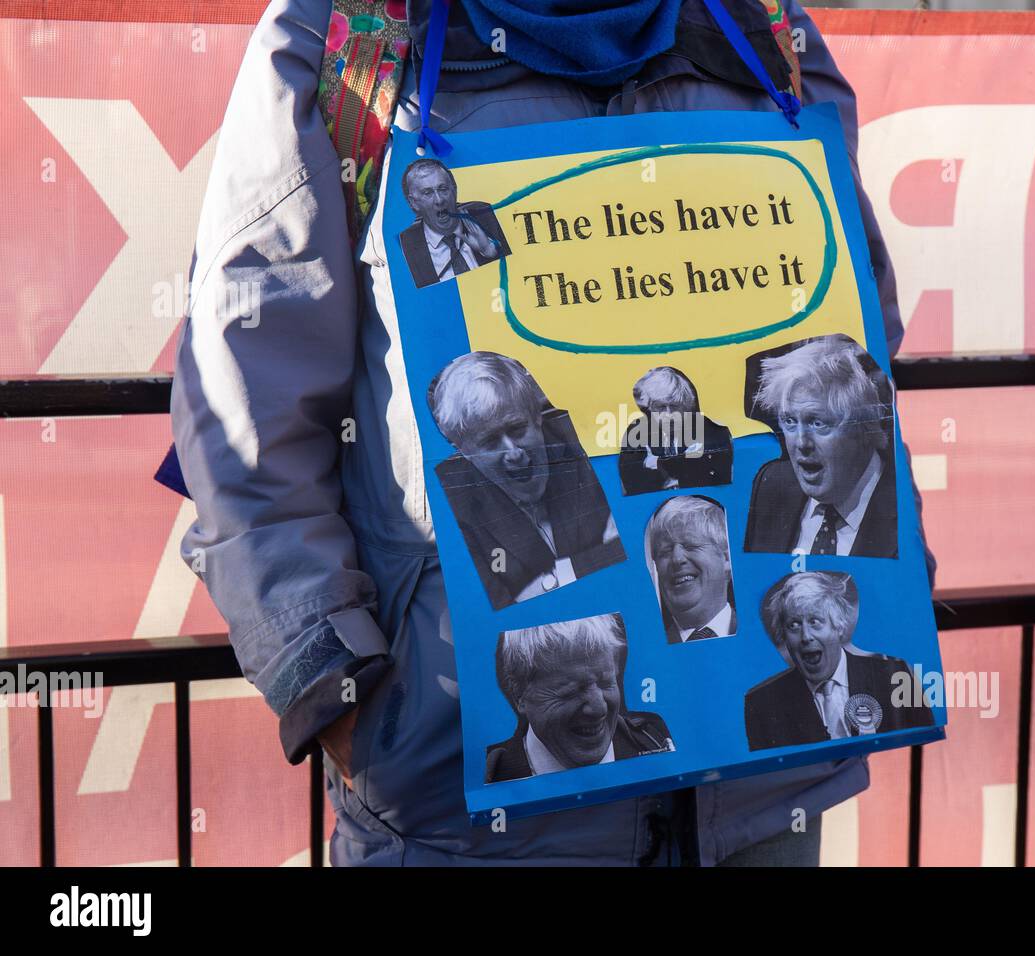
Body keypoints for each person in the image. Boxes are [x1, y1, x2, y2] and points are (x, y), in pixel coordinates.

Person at [170, 0, 933, 867]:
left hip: (759, 793)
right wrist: (326, 674)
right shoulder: (344, 34)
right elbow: (245, 405)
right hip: (470, 803)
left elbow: (857, 333)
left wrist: (875, 571)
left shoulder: (760, 26)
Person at [428, 351, 624, 609]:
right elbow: (494, 609)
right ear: (465, 452)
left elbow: (641, 542)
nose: (513, 452)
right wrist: (598, 558)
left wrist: (553, 580)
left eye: (518, 429)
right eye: (490, 441)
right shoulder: (448, 499)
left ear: (536, 416)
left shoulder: (588, 441)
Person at [744, 334, 897, 558]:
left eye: (818, 423)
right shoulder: (769, 486)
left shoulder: (902, 500)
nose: (801, 443)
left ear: (864, 427)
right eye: (789, 421)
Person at [745, 572, 932, 751]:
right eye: (793, 625)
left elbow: (924, 744)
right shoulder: (762, 704)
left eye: (815, 621)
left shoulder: (895, 677)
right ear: (784, 637)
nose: (806, 636)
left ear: (838, 627)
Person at [485, 614, 674, 783]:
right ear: (520, 696)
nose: (599, 708)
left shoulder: (658, 739)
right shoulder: (489, 776)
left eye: (606, 682)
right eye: (570, 691)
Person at [618, 366, 732, 495]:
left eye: (674, 406)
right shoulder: (636, 431)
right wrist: (686, 466)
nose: (669, 414)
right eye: (660, 407)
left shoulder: (710, 430)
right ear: (649, 407)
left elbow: (717, 479)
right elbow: (632, 482)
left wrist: (655, 463)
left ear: (686, 404)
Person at [398, 158, 509, 287]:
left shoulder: (486, 216)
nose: (439, 200)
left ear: (454, 190)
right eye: (427, 193)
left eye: (443, 189)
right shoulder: (405, 245)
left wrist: (489, 251)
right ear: (413, 203)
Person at [646, 496, 736, 643]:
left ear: (726, 558)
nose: (676, 559)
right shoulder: (648, 648)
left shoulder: (763, 636)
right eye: (665, 551)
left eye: (690, 545)